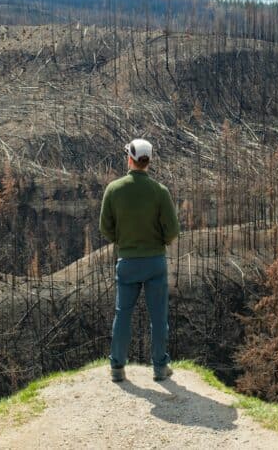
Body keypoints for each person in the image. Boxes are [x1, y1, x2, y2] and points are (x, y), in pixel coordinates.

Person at [99, 138, 180, 383]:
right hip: (155, 261)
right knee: (158, 317)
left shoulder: (114, 189)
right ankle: (159, 367)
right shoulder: (160, 191)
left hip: (127, 261)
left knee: (122, 314)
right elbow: (173, 230)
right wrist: (160, 242)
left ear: (129, 159)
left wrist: (123, 241)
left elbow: (105, 227)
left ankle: (117, 367)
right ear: (149, 161)